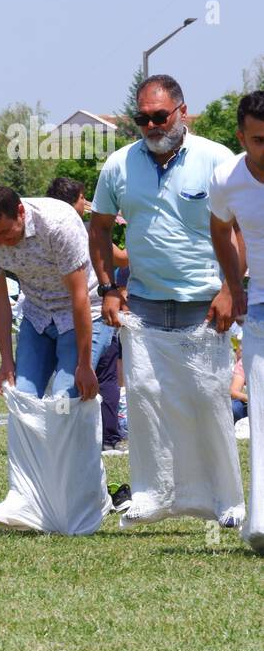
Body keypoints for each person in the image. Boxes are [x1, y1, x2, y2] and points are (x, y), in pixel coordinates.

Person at [92, 73, 245, 529]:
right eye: (142, 118)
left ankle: (225, 501)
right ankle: (150, 495)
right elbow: (99, 228)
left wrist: (229, 290)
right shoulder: (119, 165)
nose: (152, 125)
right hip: (144, 305)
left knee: (209, 400)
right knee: (145, 399)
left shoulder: (218, 160)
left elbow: (239, 229)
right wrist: (108, 289)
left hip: (206, 306)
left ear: (182, 111)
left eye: (160, 116)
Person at [0, 186, 105, 401]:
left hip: (82, 312)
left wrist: (84, 363)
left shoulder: (58, 223)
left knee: (65, 398)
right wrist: (6, 361)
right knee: (22, 397)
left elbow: (79, 296)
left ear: (21, 212)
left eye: (5, 232)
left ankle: (79, 434)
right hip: (37, 315)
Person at [208, 90, 264, 548]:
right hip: (261, 305)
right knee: (261, 411)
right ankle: (261, 521)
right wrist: (234, 285)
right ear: (241, 137)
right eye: (260, 140)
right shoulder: (226, 178)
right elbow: (220, 230)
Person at [46, 176, 130, 454]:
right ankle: (82, 439)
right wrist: (134, 229)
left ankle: (104, 436)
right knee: (88, 375)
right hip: (93, 312)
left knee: (98, 374)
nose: (87, 203)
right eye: (83, 198)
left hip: (62, 314)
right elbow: (123, 258)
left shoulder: (47, 232)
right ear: (73, 202)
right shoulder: (83, 230)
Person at [231, 340, 248, 423]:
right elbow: (233, 392)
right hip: (248, 403)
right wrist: (249, 398)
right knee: (234, 407)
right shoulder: (243, 363)